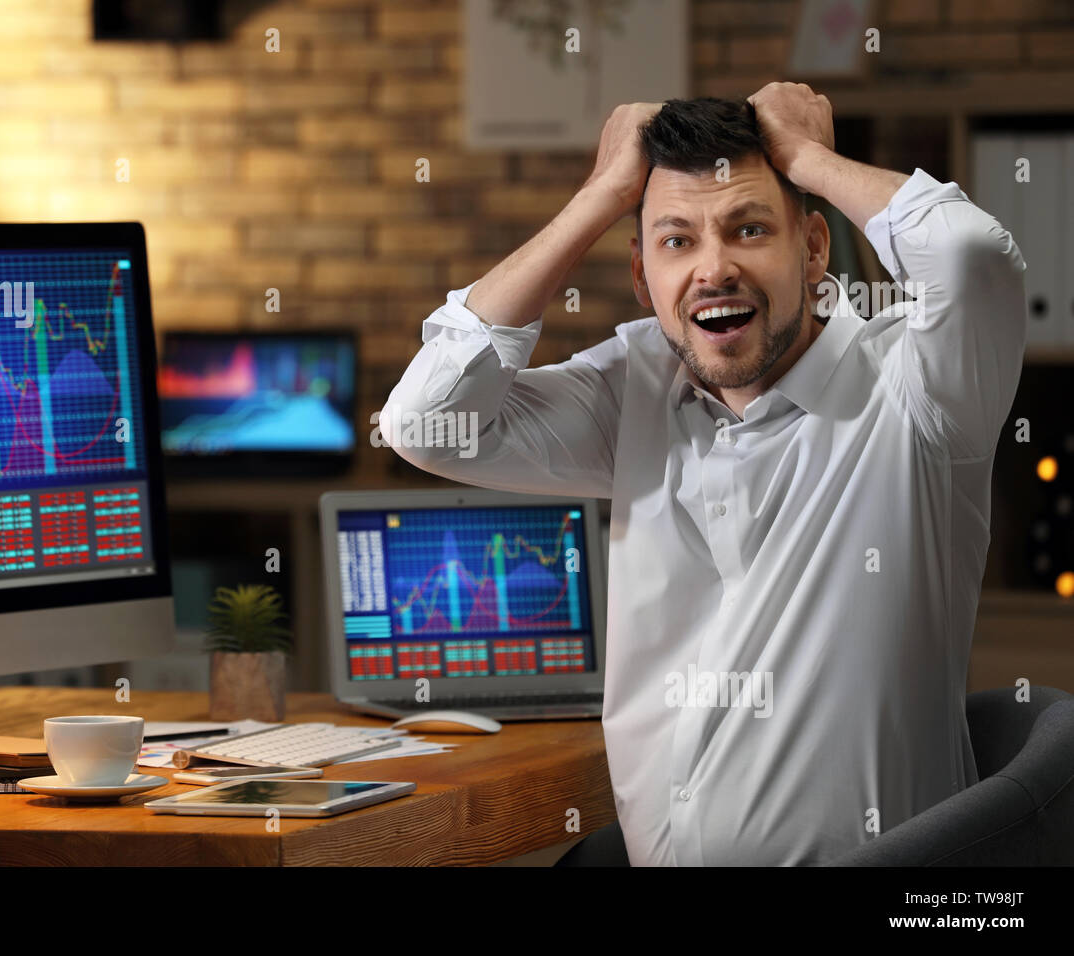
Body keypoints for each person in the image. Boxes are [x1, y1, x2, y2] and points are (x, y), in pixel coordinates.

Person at [378, 82, 1027, 865]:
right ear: (643, 272)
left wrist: (810, 158)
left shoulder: (919, 389)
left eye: (748, 228)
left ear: (814, 248)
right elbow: (421, 425)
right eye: (676, 240)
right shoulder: (633, 389)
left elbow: (972, 255)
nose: (714, 269)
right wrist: (601, 194)